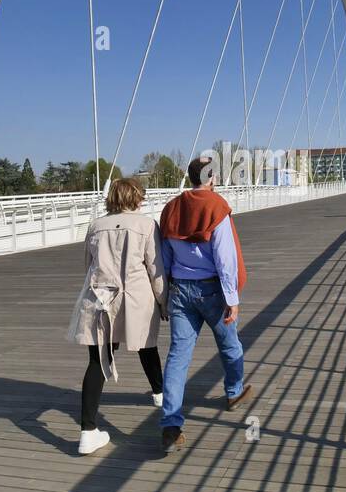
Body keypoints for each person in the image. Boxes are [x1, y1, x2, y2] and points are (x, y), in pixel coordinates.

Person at [67, 177, 168, 455]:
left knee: (98, 361)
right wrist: (164, 302)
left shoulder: (95, 226)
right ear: (137, 197)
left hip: (100, 300)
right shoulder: (147, 225)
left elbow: (88, 266)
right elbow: (155, 269)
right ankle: (160, 395)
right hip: (135, 300)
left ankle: (88, 431)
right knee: (147, 347)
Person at [156, 156, 250, 454]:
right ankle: (234, 392)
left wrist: (167, 293)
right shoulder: (216, 207)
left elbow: (166, 256)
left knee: (178, 356)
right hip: (212, 291)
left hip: (180, 290)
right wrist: (232, 299)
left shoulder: (171, 208)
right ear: (211, 178)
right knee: (229, 344)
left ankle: (171, 424)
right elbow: (225, 259)